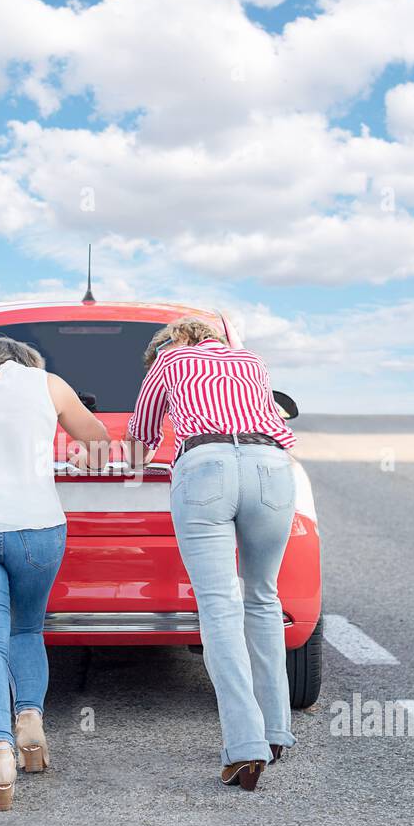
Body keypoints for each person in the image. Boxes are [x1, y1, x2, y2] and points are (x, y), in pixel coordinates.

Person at [126, 318, 297, 792]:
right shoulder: (251, 360)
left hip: (206, 469)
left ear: (170, 342)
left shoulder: (168, 360)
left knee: (220, 606)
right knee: (262, 596)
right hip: (272, 469)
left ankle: (244, 746)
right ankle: (276, 731)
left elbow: (140, 443)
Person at [0, 336, 109, 811]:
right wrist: (77, 458)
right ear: (29, 362)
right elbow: (98, 442)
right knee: (28, 629)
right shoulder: (50, 385)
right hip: (36, 530)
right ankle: (30, 724)